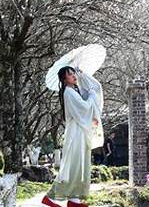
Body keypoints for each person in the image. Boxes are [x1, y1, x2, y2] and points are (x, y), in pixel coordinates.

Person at [42, 66, 104, 207]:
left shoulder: (73, 91)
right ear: (64, 79)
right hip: (76, 135)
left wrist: (83, 75)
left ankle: (74, 200)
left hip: (79, 133)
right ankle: (51, 198)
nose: (74, 76)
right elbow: (84, 108)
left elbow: (83, 109)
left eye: (73, 73)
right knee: (73, 166)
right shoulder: (69, 93)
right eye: (70, 74)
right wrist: (92, 96)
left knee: (79, 165)